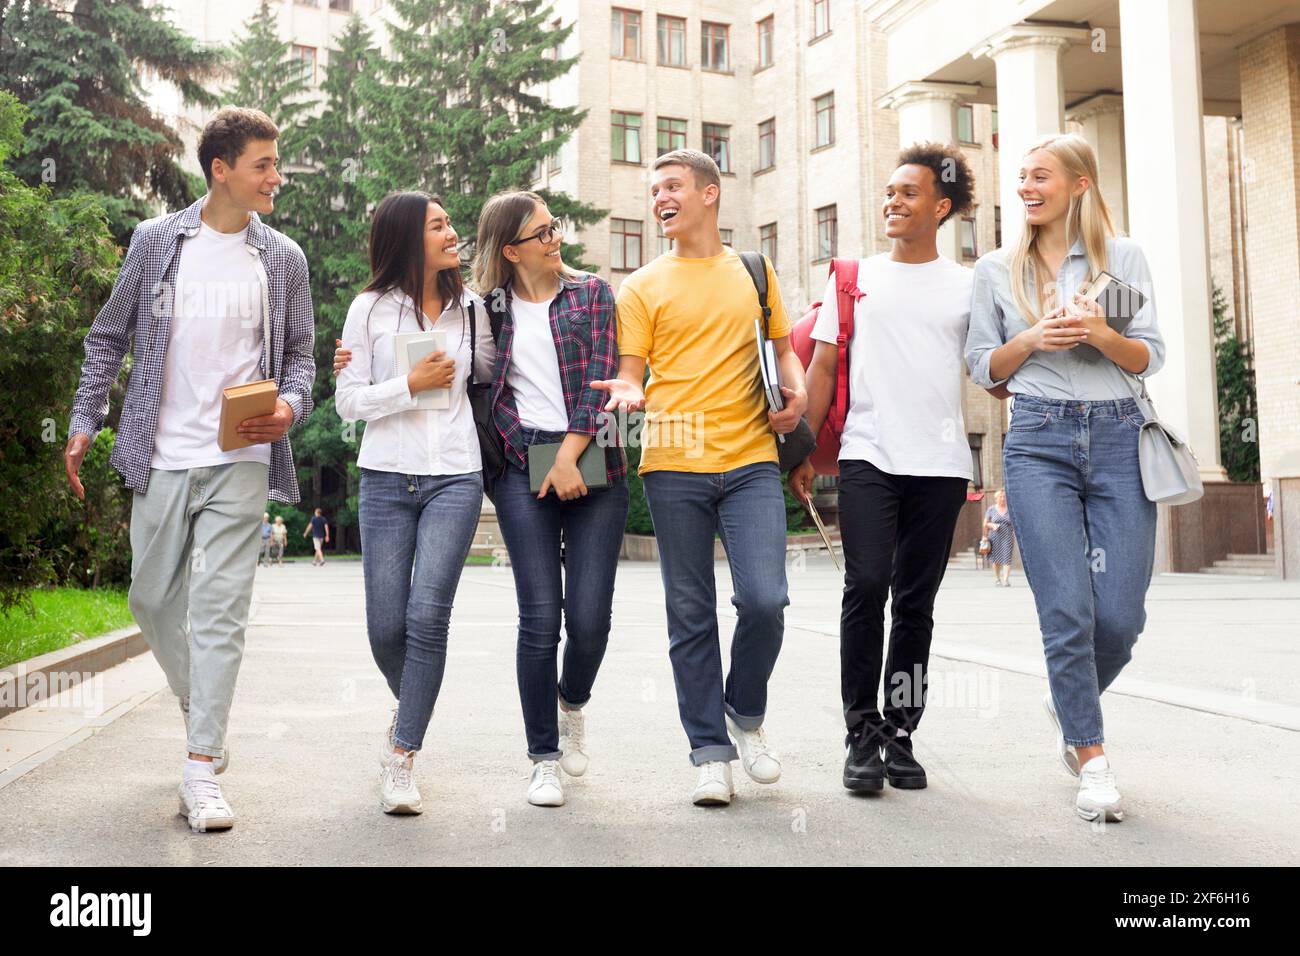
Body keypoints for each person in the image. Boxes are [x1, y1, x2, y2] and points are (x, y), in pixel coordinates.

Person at [63, 107, 315, 832]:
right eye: (263, 165)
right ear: (221, 170)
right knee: (149, 599)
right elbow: (107, 337)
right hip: (161, 452)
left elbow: (300, 359)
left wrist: (291, 410)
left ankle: (200, 766)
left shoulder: (283, 259)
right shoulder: (156, 242)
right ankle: (201, 697)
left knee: (220, 612)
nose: (277, 177)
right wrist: (85, 419)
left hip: (240, 459)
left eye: (277, 162)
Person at [592, 149, 807, 807]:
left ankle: (745, 712)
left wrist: (795, 398)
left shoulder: (754, 270)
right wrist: (628, 391)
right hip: (673, 461)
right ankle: (710, 753)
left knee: (765, 601)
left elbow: (783, 356)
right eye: (654, 189)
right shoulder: (642, 285)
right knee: (690, 613)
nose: (660, 197)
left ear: (709, 194)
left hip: (748, 460)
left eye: (673, 186)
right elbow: (633, 368)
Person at [965, 132, 1165, 823]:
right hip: (1038, 438)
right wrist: (1032, 340)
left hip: (1118, 436)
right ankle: (1092, 756)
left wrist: (1100, 334)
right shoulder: (996, 268)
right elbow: (983, 369)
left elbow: (1148, 357)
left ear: (1079, 185)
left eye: (1040, 175)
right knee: (1067, 613)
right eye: (1021, 177)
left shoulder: (1122, 258)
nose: (1026, 186)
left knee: (1120, 616)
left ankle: (1067, 695)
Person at [789, 144, 976, 794]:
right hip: (868, 456)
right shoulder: (853, 277)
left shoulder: (968, 285)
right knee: (866, 586)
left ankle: (901, 734)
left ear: (942, 206)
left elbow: (989, 367)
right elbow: (820, 369)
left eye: (909, 193)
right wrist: (803, 453)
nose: (892, 201)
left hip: (943, 465)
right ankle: (861, 735)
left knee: (916, 605)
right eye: (890, 191)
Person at [334, 191, 494, 816]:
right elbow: (348, 402)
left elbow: (492, 372)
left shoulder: (473, 309)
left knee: (428, 618)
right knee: (385, 627)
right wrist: (408, 384)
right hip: (385, 477)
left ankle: (402, 754)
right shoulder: (368, 309)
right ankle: (416, 703)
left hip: (455, 474)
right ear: (407, 238)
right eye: (438, 226)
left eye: (451, 223)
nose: (453, 233)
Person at [472, 191, 626, 807]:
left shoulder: (592, 293)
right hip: (519, 465)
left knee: (588, 619)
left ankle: (573, 701)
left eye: (553, 227)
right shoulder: (487, 309)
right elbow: (487, 392)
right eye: (540, 234)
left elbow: (603, 376)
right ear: (510, 250)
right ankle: (543, 756)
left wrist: (569, 456)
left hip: (593, 455)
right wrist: (528, 453)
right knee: (540, 616)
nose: (553, 238)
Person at [984, 490, 1016, 586]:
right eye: (1001, 497)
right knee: (996, 559)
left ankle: (1006, 580)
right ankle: (998, 579)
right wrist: (992, 525)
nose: (1003, 498)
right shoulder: (991, 509)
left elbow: (1014, 523)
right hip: (994, 536)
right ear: (996, 498)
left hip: (1007, 536)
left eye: (1004, 497)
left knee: (1007, 558)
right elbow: (985, 524)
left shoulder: (1010, 509)